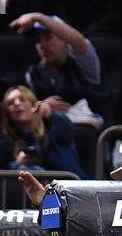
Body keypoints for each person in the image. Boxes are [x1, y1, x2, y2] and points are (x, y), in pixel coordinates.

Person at [15, 11, 103, 167]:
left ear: (64, 41)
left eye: (48, 38)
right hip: (50, 136)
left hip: (85, 134)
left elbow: (78, 41)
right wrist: (44, 106)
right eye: (38, 41)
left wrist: (40, 17)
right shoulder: (33, 74)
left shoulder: (84, 63)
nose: (42, 45)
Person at [1, 84, 84, 177]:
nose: (17, 103)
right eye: (10, 103)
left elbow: (68, 131)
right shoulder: (6, 141)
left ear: (32, 104)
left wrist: (51, 114)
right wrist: (17, 164)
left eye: (22, 99)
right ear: (7, 113)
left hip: (68, 185)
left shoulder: (51, 126)